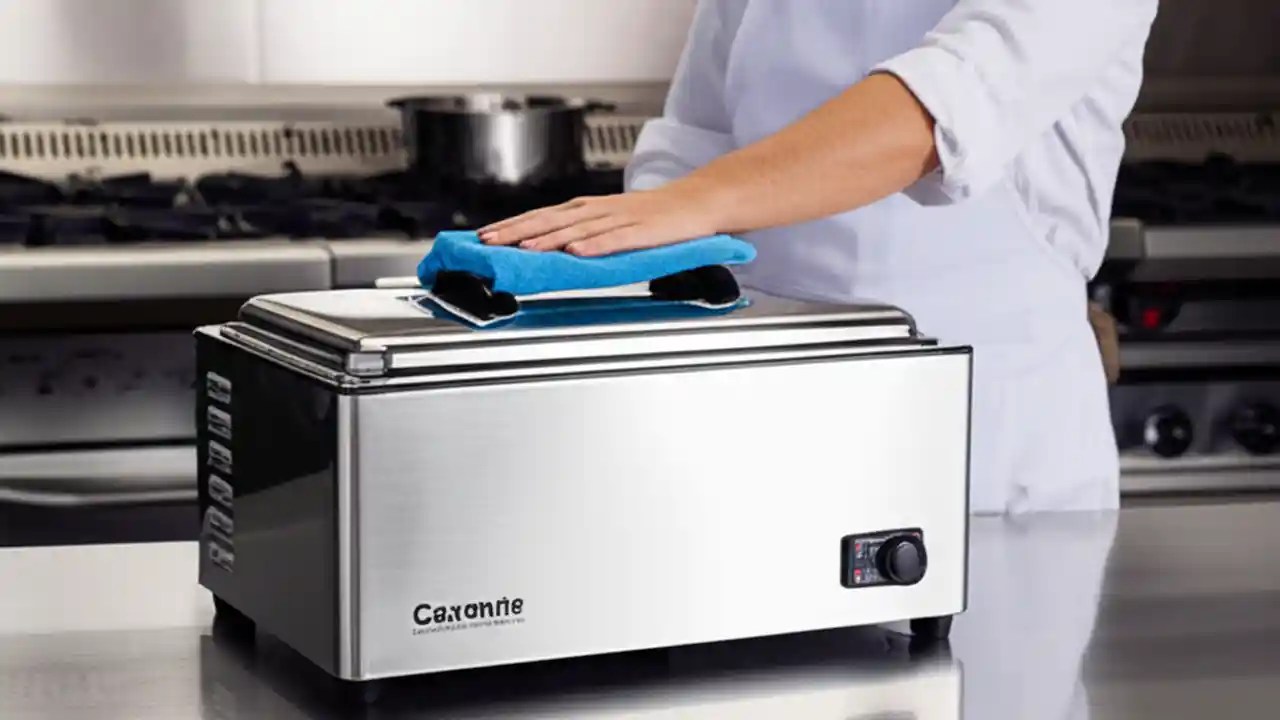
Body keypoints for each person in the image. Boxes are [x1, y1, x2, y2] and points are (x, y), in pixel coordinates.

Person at [480, 1, 1159, 514]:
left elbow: (944, 106)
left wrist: (698, 201)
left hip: (981, 450)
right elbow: (698, 131)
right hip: (747, 422)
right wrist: (618, 269)